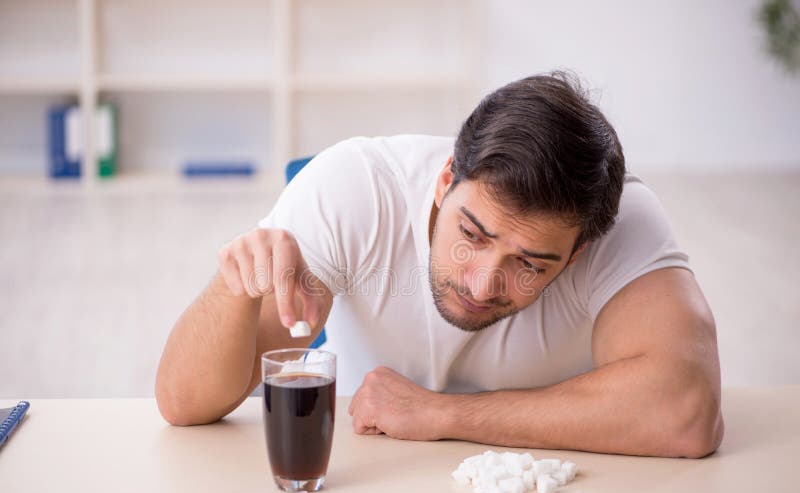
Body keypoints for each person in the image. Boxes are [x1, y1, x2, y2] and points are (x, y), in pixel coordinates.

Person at [156, 72, 724, 458]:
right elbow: (183, 405)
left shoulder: (623, 220)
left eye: (531, 263)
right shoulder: (357, 189)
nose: (481, 282)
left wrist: (446, 416)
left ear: (577, 252)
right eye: (472, 234)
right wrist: (231, 290)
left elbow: (686, 412)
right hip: (367, 481)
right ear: (445, 179)